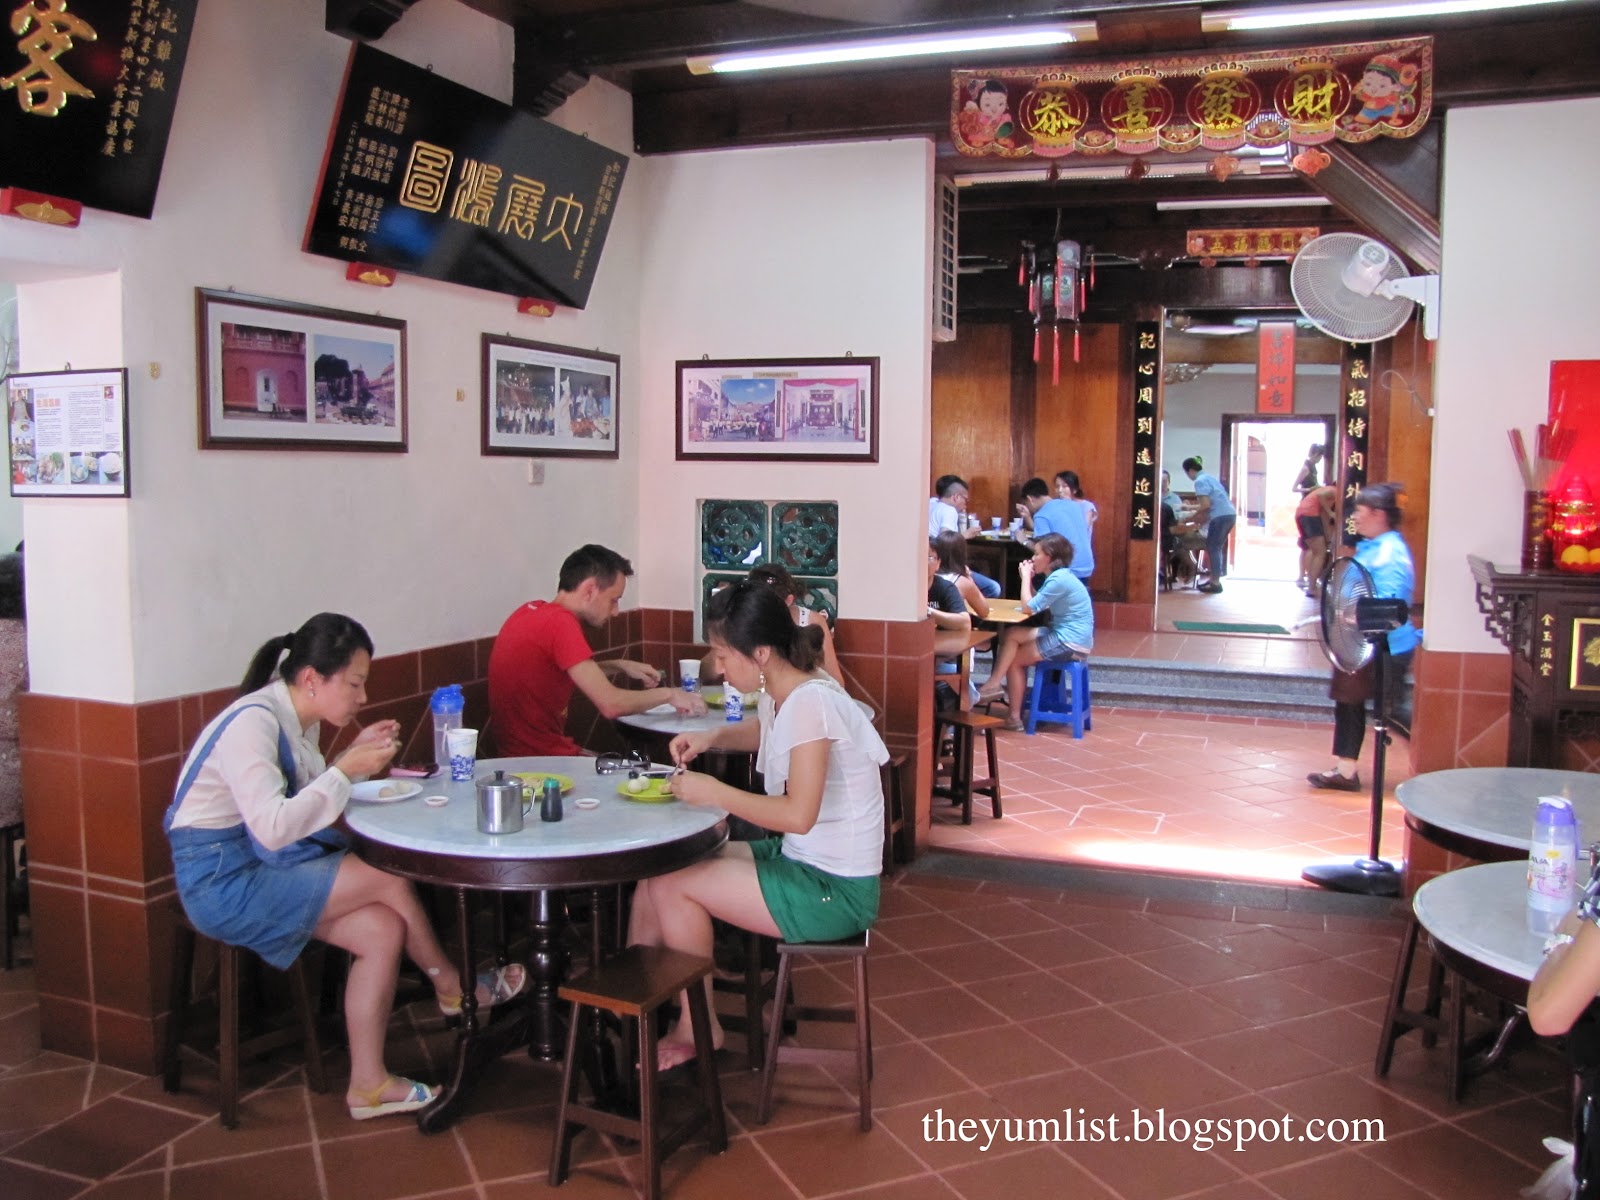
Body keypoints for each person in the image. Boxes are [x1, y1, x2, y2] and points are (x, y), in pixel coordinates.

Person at [164, 614, 527, 1121]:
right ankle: (452, 987)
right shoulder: (253, 723)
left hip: (261, 864)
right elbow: (273, 826)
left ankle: (368, 1086)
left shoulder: (295, 717)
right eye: (354, 684)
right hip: (222, 880)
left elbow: (312, 794)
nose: (362, 697)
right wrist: (343, 770)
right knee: (387, 874)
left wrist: (353, 757)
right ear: (312, 678)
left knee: (382, 930)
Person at [628, 582, 887, 1070]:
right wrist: (713, 737)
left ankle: (697, 1028)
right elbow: (769, 731)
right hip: (804, 861)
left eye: (725, 654)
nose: (719, 667)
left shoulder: (810, 702)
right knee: (658, 870)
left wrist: (715, 792)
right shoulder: (784, 687)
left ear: (761, 652)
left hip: (836, 890)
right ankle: (636, 1010)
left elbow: (797, 815)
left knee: (672, 885)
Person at [488, 544, 706, 756]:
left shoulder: (531, 611)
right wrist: (670, 695)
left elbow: (564, 672)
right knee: (655, 773)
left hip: (517, 755)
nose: (616, 612)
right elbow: (611, 705)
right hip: (541, 760)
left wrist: (620, 665)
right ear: (590, 590)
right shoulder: (560, 624)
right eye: (614, 600)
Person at [1307, 483, 1420, 791]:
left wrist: (1354, 614)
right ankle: (1345, 771)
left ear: (1378, 514)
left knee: (1393, 711)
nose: (1354, 516)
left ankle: (1435, 765)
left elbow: (1391, 602)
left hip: (1385, 646)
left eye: (1359, 511)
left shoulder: (1389, 552)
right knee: (1348, 701)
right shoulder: (1374, 545)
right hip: (1361, 643)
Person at [974, 534, 1093, 731]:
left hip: (1069, 641)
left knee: (1014, 661)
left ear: (1050, 557)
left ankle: (1013, 717)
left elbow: (1028, 608)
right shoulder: (1059, 577)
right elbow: (1038, 601)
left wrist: (1025, 578)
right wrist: (1027, 580)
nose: (1033, 558)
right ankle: (994, 683)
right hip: (1065, 633)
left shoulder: (1059, 580)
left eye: (1037, 554)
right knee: (1011, 634)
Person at [702, 563, 844, 685]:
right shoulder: (746, 619)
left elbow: (836, 682)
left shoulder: (811, 621)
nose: (763, 610)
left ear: (789, 601)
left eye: (770, 603)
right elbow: (707, 671)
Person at [928, 474, 1001, 598]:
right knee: (993, 587)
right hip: (944, 566)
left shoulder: (931, 503)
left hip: (930, 562)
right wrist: (965, 535)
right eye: (965, 500)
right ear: (956, 497)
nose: (965, 505)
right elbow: (945, 543)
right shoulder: (949, 511)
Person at [1179, 457, 1236, 594]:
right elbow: (1209, 503)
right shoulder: (1209, 478)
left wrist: (1189, 518)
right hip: (1229, 514)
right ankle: (1214, 580)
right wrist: (1190, 509)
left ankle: (1215, 583)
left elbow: (1205, 505)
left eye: (1187, 473)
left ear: (1190, 471)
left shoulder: (1199, 481)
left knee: (1213, 547)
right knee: (1216, 547)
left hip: (1219, 516)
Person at [1017, 477, 1094, 580]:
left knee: (1032, 570)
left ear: (1030, 499)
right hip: (1087, 567)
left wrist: (1024, 541)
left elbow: (1043, 551)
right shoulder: (1073, 505)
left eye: (1026, 503)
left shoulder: (1041, 515)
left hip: (1068, 570)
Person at [932, 529, 990, 620]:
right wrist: (969, 578)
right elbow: (984, 611)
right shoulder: (963, 582)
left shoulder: (927, 576)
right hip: (949, 627)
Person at [1295, 482, 1339, 594]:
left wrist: (1328, 539)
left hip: (1301, 514)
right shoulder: (1334, 491)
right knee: (1320, 553)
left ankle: (1309, 583)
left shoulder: (1325, 491)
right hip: (1309, 515)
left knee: (1314, 550)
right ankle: (1311, 587)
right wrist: (1331, 513)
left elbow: (1323, 517)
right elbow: (1321, 497)